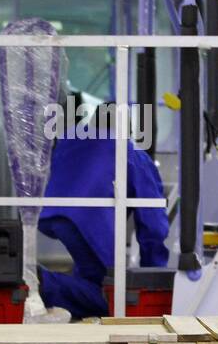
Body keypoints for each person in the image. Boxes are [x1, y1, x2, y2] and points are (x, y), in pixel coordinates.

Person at [38, 99, 170, 319]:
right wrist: (153, 275)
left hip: (54, 214)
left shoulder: (71, 139)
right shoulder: (130, 152)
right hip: (88, 221)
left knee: (93, 275)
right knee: (113, 295)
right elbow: (152, 222)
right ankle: (43, 283)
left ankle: (50, 285)